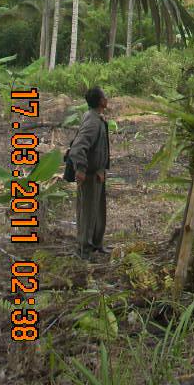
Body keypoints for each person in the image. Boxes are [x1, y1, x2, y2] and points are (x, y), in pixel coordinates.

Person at [67, 85, 111, 260]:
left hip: (97, 173)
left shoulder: (95, 117)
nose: (107, 99)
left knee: (98, 211)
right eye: (105, 96)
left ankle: (96, 244)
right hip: (89, 174)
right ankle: (84, 249)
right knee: (87, 213)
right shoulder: (92, 122)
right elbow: (78, 147)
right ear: (100, 101)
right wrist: (81, 169)